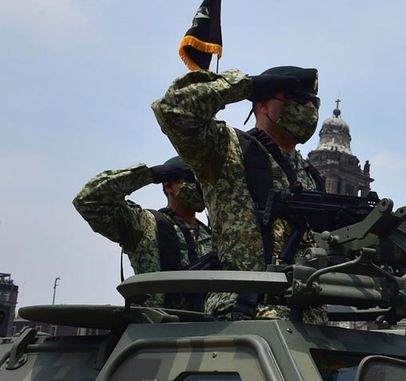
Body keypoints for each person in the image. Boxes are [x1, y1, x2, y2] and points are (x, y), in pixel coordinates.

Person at [152, 65, 325, 319]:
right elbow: (171, 109)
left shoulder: (310, 175)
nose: (309, 108)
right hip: (244, 313)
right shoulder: (227, 149)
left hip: (308, 318)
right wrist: (247, 86)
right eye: (298, 99)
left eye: (314, 102)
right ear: (263, 105)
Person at [73, 156, 209, 309]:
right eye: (192, 180)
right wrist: (150, 175)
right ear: (169, 186)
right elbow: (88, 200)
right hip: (159, 328)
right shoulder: (146, 225)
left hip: (215, 328)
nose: (200, 187)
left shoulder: (215, 236)